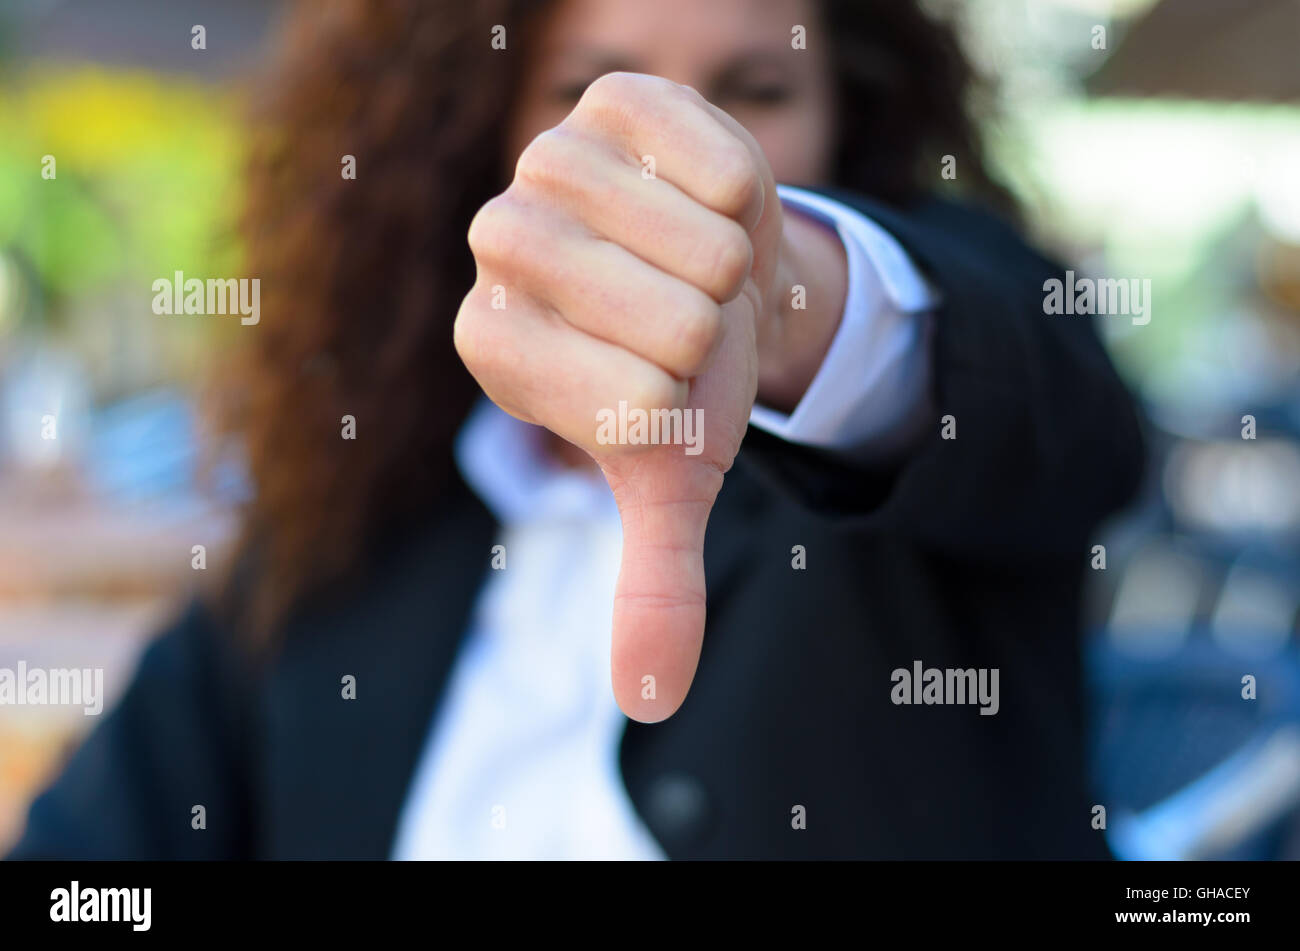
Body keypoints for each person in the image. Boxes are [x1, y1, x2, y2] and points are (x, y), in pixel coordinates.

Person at [9, 0, 1143, 859]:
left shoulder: (950, 416)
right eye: (590, 90)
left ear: (850, 122)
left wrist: (783, 287)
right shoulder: (338, 536)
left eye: (756, 92)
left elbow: (1053, 408)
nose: (676, 153)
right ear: (478, 138)